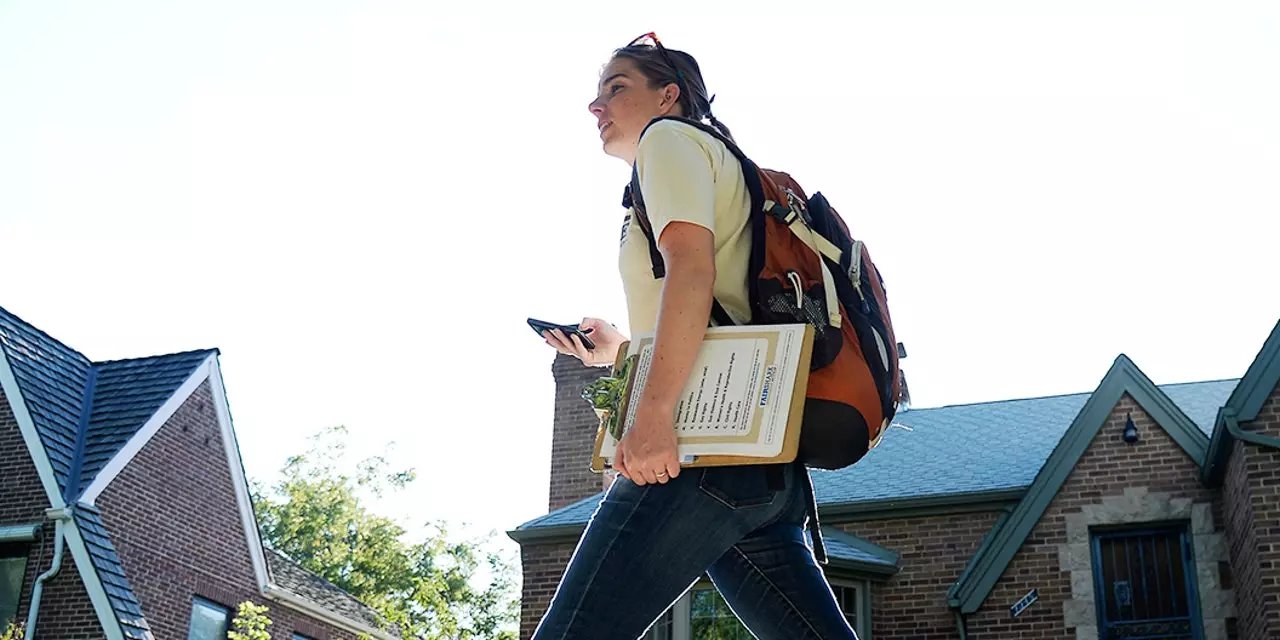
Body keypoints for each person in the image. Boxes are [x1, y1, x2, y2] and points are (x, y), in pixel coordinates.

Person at [532, 34, 861, 640]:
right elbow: (716, 308)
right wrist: (619, 350)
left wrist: (652, 416)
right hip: (755, 460)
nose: (595, 105)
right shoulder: (706, 157)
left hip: (697, 452)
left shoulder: (668, 141)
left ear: (669, 96)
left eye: (616, 87)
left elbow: (693, 268)